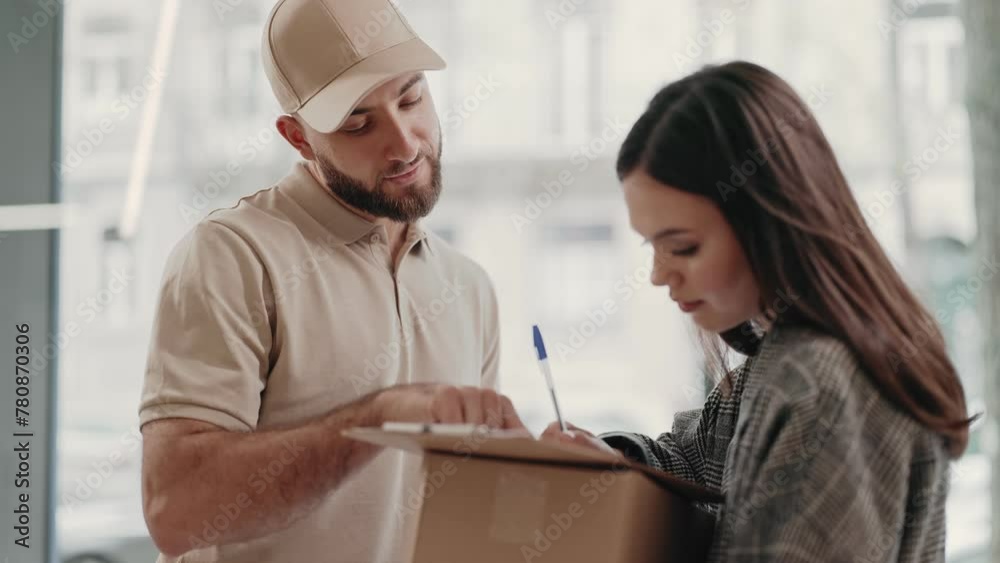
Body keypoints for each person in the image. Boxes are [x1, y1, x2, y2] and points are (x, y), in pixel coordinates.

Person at [138, 0, 525, 561]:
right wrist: (378, 419)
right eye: (358, 123)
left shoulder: (469, 288)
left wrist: (561, 470)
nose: (405, 144)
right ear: (298, 138)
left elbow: (463, 512)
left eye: (411, 97)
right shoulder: (232, 256)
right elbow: (176, 512)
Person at [542, 61, 972, 562]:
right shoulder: (781, 358)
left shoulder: (820, 385)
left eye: (682, 247)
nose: (660, 275)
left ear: (767, 222)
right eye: (651, 246)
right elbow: (701, 460)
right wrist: (613, 461)